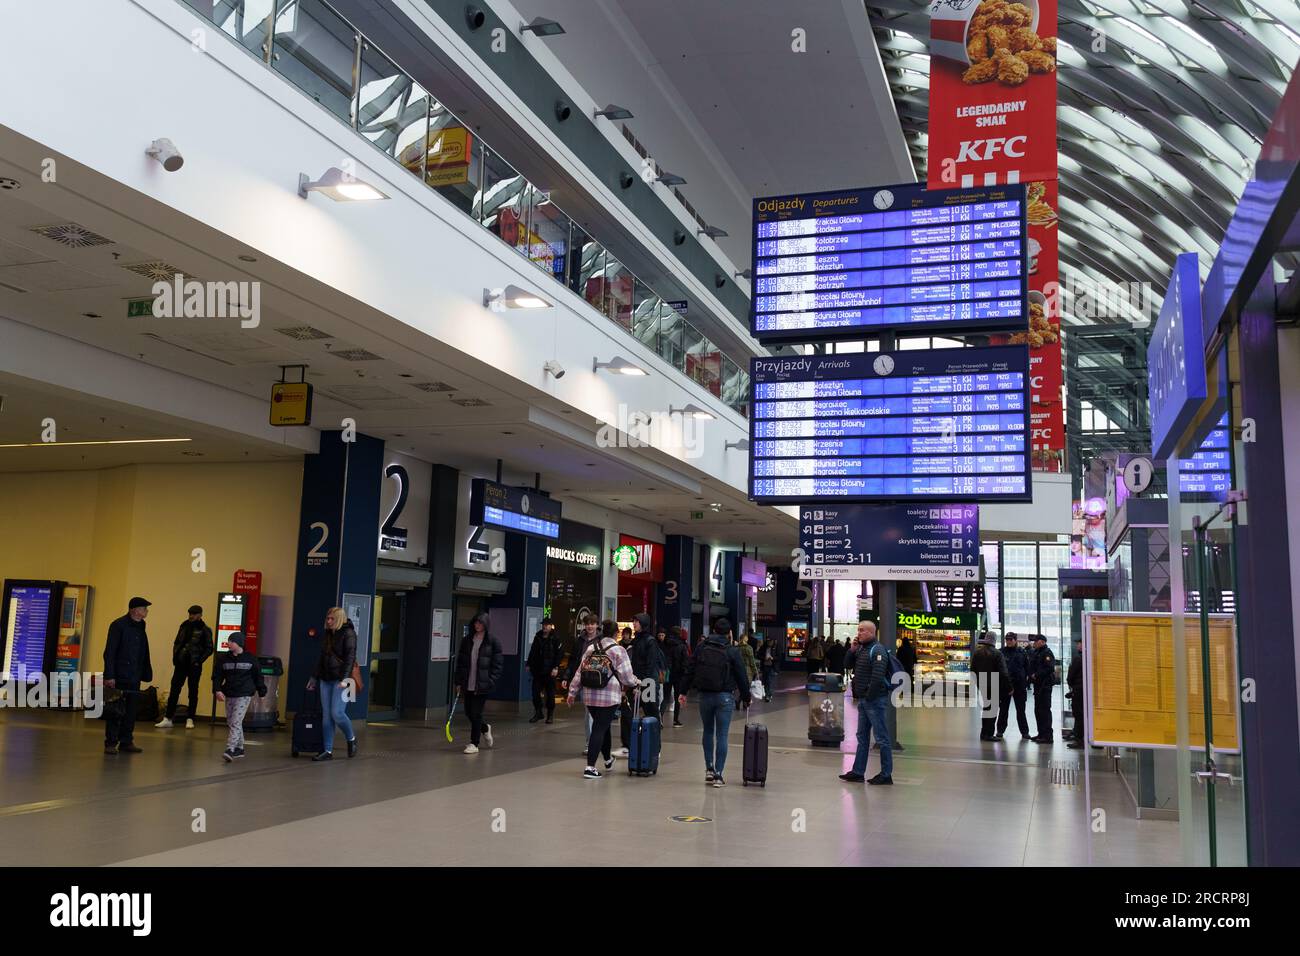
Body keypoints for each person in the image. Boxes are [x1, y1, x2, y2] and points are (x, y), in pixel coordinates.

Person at [678, 617, 751, 787]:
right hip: (725, 697)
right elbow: (741, 676)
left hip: (705, 696)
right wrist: (746, 697)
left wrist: (683, 691)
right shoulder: (732, 650)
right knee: (722, 735)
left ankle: (709, 769)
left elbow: (690, 669)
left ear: (713, 630)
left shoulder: (702, 646)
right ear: (729, 633)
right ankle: (718, 774)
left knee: (708, 731)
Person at [565, 620, 639, 779]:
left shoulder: (592, 648)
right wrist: (637, 682)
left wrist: (572, 692)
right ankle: (590, 767)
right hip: (609, 698)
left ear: (601, 632)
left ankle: (607, 760)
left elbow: (579, 671)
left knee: (602, 725)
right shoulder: (619, 650)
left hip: (589, 696)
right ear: (615, 634)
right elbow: (627, 677)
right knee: (599, 728)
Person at [839, 620, 893, 785]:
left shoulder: (878, 650)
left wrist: (869, 696)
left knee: (881, 738)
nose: (859, 633)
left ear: (871, 632)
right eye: (858, 630)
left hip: (874, 701)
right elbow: (847, 665)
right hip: (864, 700)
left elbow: (877, 677)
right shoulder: (861, 649)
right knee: (862, 737)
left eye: (862, 630)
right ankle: (858, 771)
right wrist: (852, 650)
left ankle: (886, 774)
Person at [306, 607, 359, 761]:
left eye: (332, 619)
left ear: (339, 619)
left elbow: (350, 658)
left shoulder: (349, 634)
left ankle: (351, 738)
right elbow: (322, 658)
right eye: (327, 618)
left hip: (342, 680)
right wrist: (314, 678)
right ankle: (327, 750)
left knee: (337, 713)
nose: (328, 621)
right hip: (325, 678)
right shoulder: (328, 634)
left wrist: (344, 679)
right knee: (327, 717)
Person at [103, 597, 154, 755]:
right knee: (115, 710)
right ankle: (111, 742)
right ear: (134, 610)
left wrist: (144, 671)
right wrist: (109, 675)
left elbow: (142, 651)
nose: (147, 611)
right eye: (144, 608)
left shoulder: (141, 626)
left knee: (131, 711)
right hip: (119, 675)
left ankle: (126, 740)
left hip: (134, 675)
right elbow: (109, 652)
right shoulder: (118, 625)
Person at [453, 613, 504, 755]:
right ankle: (485, 728)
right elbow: (461, 664)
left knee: (476, 713)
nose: (477, 625)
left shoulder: (493, 642)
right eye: (476, 623)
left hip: (482, 684)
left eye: (480, 623)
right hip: (468, 682)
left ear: (486, 625)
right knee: (469, 712)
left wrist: (490, 680)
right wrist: (458, 681)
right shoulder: (467, 640)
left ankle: (474, 743)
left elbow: (498, 665)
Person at [156, 604, 213, 730]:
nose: (191, 616)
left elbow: (209, 648)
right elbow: (177, 642)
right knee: (174, 690)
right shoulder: (183, 626)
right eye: (190, 613)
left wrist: (199, 661)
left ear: (200, 615)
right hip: (181, 663)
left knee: (193, 692)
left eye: (194, 614)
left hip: (194, 665)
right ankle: (168, 718)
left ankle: (190, 718)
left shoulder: (205, 629)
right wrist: (175, 657)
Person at [213, 632, 266, 762]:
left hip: (244, 694)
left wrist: (261, 690)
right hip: (229, 693)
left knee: (236, 721)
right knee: (231, 721)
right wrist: (217, 690)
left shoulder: (250, 659)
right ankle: (240, 748)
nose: (228, 643)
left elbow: (258, 676)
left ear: (239, 643)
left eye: (231, 641)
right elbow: (217, 676)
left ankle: (230, 749)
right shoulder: (223, 659)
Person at [971, 633, 1010, 740]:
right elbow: (1003, 673)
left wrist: (978, 684)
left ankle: (984, 733)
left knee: (986, 709)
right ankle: (989, 734)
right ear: (994, 640)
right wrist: (1009, 687)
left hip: (982, 684)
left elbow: (973, 670)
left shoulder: (977, 652)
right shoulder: (997, 653)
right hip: (994, 684)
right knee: (992, 710)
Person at [526, 617, 561, 724]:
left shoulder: (555, 638)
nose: (545, 626)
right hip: (538, 670)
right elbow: (533, 651)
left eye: (547, 625)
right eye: (543, 625)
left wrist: (556, 667)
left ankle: (550, 715)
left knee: (550, 695)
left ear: (551, 626)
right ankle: (538, 712)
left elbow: (559, 654)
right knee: (535, 693)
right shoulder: (538, 636)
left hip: (550, 671)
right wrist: (528, 663)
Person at [996, 633, 1031, 739]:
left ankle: (1024, 732)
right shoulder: (1001, 652)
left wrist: (1026, 682)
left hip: (1019, 686)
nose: (1008, 641)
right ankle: (1000, 731)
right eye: (1007, 639)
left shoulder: (1022, 652)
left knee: (1021, 710)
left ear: (1015, 640)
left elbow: (1027, 668)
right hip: (1005, 686)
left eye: (1011, 639)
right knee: (1003, 710)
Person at [1027, 634, 1058, 743]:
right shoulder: (1036, 652)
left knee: (1045, 711)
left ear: (1043, 642)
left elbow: (1049, 668)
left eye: (1036, 641)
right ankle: (1041, 734)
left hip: (1045, 686)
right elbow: (1031, 666)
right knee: (1038, 711)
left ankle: (1048, 736)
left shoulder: (1047, 653)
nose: (1034, 643)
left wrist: (1037, 675)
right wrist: (1031, 674)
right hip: (1037, 686)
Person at [660, 626, 689, 727]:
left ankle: (660, 717)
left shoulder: (665, 644)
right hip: (678, 675)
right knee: (677, 698)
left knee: (666, 697)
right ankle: (676, 720)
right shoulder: (682, 646)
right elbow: (685, 662)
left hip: (667, 673)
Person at [1067, 637, 1085, 749]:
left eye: (1080, 643)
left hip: (1078, 690)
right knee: (1082, 715)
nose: (1078, 645)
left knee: (1079, 715)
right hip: (1084, 690)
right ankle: (1078, 735)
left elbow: (1071, 676)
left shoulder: (1078, 659)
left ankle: (1079, 740)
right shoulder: (1089, 657)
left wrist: (1071, 684)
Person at [759, 636, 778, 702]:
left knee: (769, 681)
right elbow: (758, 655)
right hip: (764, 666)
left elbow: (778, 657)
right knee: (765, 681)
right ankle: (768, 694)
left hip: (771, 667)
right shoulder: (763, 648)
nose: (769, 643)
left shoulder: (775, 648)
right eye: (768, 641)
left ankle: (768, 695)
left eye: (771, 641)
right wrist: (764, 658)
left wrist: (773, 658)